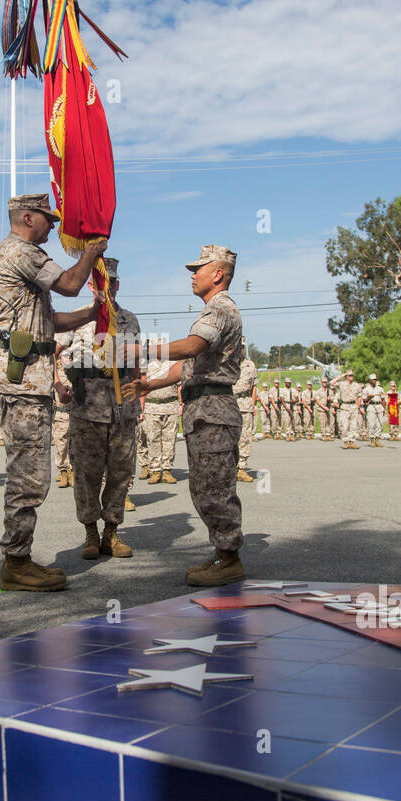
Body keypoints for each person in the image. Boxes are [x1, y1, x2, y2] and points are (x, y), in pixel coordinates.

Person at [0, 192, 106, 591]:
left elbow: (51, 319)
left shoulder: (18, 256)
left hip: (29, 378)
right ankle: (16, 562)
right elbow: (71, 283)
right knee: (28, 475)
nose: (54, 226)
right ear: (26, 218)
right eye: (47, 219)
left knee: (31, 472)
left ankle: (19, 558)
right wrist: (90, 251)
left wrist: (93, 313)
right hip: (24, 381)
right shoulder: (20, 251)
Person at [124, 244, 244, 587]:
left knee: (215, 488)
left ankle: (229, 558)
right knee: (206, 487)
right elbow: (191, 363)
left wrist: (141, 348)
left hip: (213, 412)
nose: (193, 275)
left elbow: (191, 347)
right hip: (204, 411)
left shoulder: (219, 310)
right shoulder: (212, 311)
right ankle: (223, 553)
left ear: (217, 274)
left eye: (199, 269)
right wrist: (153, 384)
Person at [64, 258, 141, 559]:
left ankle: (112, 532)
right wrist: (60, 384)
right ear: (92, 285)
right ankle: (90, 533)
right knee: (86, 473)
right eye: (103, 282)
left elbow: (135, 363)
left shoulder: (130, 320)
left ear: (119, 284)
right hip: (87, 408)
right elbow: (53, 353)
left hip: (122, 408)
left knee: (121, 472)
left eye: (114, 282)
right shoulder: (77, 319)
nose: (109, 287)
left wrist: (139, 395)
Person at [143, 356, 181, 484]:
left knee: (170, 439)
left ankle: (166, 470)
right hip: (151, 406)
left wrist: (181, 404)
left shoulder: (173, 363)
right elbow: (142, 385)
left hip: (171, 406)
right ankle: (155, 470)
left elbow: (179, 386)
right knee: (153, 439)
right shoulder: (147, 364)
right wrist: (141, 408)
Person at [52, 337, 74, 488]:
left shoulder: (77, 369)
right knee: (61, 444)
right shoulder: (55, 371)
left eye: (70, 354)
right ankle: (63, 472)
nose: (68, 357)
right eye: (64, 354)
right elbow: (50, 358)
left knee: (74, 444)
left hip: (75, 413)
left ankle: (72, 471)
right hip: (60, 414)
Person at [234, 341, 257, 482]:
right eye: (238, 346)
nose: (240, 349)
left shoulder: (250, 365)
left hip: (246, 404)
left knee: (245, 437)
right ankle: (229, 469)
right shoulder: (226, 364)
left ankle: (241, 468)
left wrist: (253, 404)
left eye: (242, 347)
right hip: (230, 404)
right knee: (228, 438)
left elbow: (254, 386)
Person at [333, 369, 362, 449]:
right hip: (345, 406)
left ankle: (352, 442)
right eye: (349, 375)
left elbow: (359, 396)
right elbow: (332, 383)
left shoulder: (356, 385)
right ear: (346, 376)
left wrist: (358, 407)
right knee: (344, 425)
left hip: (353, 406)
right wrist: (342, 376)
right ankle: (345, 442)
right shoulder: (342, 384)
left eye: (352, 375)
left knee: (353, 426)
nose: (351, 377)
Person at [362, 373, 387, 447]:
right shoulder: (366, 389)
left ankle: (377, 439)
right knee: (371, 424)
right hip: (371, 406)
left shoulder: (380, 389)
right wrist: (369, 397)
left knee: (380, 423)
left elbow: (383, 399)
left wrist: (383, 408)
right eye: (373, 379)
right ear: (370, 380)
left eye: (375, 379)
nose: (375, 381)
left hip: (379, 406)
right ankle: (372, 439)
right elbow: (364, 401)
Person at [280, 377, 296, 442]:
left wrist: (294, 400)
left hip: (292, 405)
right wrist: (287, 408)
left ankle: (291, 434)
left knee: (292, 421)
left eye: (289, 383)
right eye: (287, 383)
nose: (288, 384)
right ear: (285, 383)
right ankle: (288, 434)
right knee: (287, 421)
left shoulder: (293, 390)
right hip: (286, 406)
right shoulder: (283, 390)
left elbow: (297, 399)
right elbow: (282, 400)